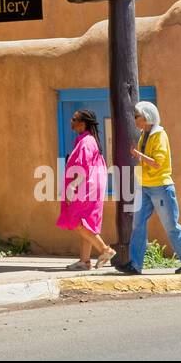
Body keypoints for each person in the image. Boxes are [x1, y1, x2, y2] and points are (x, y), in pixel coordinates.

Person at [117, 101, 181, 274]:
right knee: (137, 225)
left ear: (146, 116)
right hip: (145, 186)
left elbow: (157, 163)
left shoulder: (159, 135)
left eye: (137, 116)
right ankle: (135, 265)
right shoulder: (143, 135)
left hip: (161, 187)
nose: (135, 120)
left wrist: (137, 154)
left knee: (171, 226)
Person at [56, 109, 117, 269]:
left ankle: (105, 250)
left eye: (74, 118)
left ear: (82, 123)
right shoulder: (88, 140)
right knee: (86, 223)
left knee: (77, 221)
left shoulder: (86, 142)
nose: (71, 121)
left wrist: (72, 185)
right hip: (91, 185)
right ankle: (84, 261)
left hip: (86, 186)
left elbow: (84, 166)